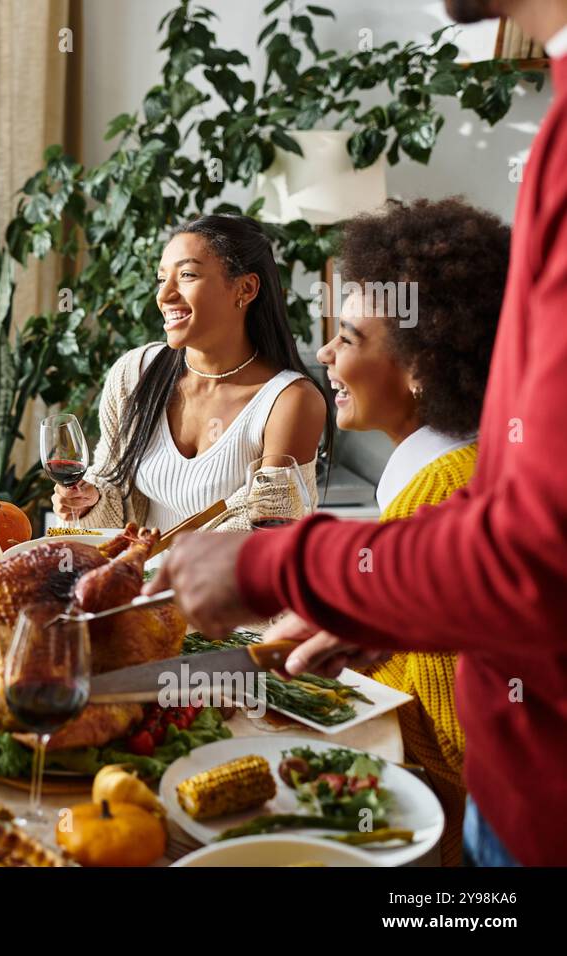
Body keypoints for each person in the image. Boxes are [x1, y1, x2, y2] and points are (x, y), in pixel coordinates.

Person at [145, 0, 567, 869]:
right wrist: (387, 609)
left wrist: (275, 566)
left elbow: (529, 557)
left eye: (350, 337)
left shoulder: (413, 464)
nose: (327, 358)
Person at [315, 197, 509, 865]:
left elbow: (459, 738)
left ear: (422, 369)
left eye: (347, 338)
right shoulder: (474, 460)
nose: (325, 352)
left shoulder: (439, 492)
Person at [52, 214, 330, 533]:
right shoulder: (134, 374)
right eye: (161, 279)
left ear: (246, 288)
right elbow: (109, 484)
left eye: (186, 275)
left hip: (224, 582)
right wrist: (90, 498)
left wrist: (167, 563)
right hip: (140, 579)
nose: (165, 295)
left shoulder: (289, 401)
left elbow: (268, 529)